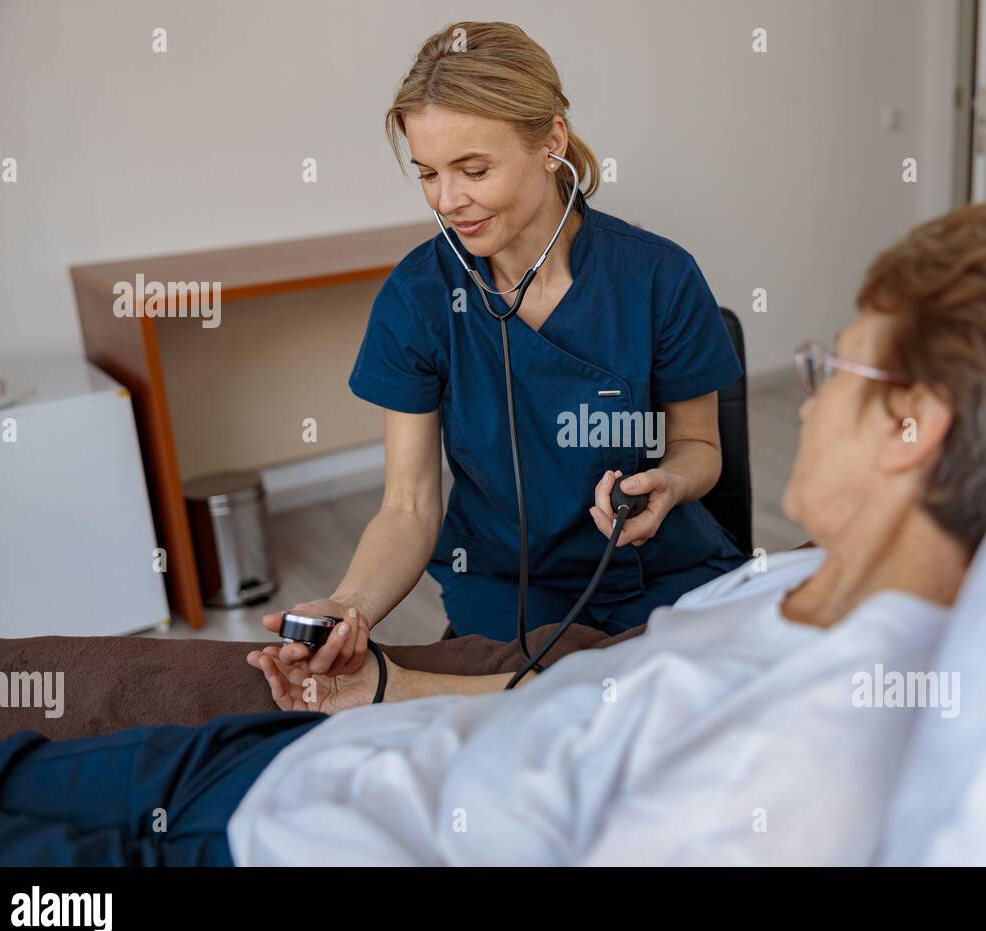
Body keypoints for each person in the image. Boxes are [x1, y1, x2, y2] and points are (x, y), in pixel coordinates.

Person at [0, 204, 986, 865]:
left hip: (269, 837)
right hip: (304, 761)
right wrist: (385, 678)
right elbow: (576, 700)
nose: (807, 395)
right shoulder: (789, 592)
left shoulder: (812, 749)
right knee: (8, 757)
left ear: (913, 422)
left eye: (832, 366)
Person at [271, 20, 747, 648]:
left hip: (659, 569)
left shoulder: (658, 275)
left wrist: (673, 482)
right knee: (531, 717)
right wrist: (349, 605)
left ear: (551, 143)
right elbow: (408, 506)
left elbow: (697, 445)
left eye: (473, 169)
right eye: (428, 174)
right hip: (507, 582)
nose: (447, 199)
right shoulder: (418, 298)